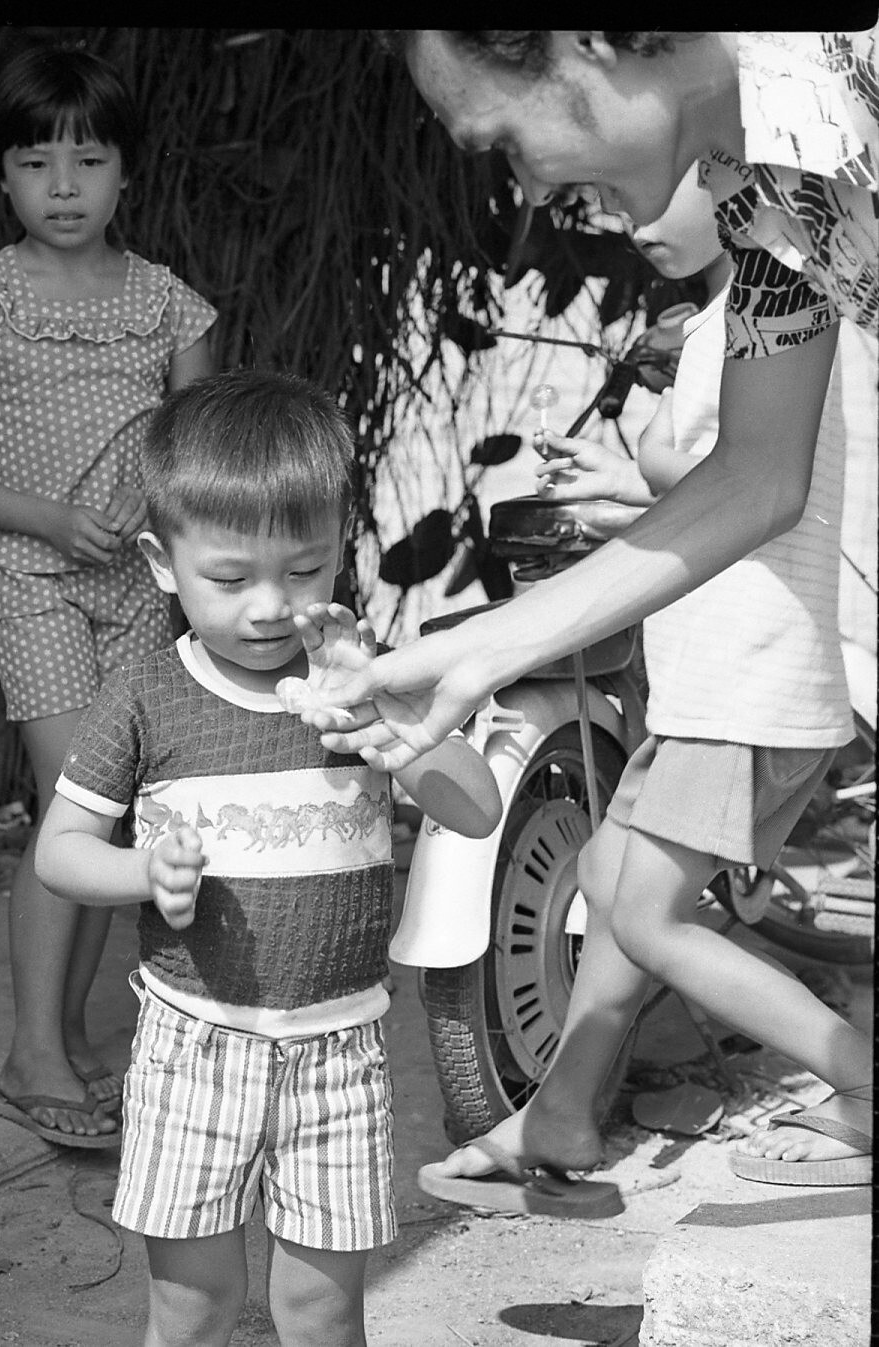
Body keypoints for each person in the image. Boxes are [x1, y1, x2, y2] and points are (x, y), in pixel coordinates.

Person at [287, 28, 877, 1178]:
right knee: (621, 884)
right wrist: (472, 657)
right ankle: (562, 1110)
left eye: (501, 137)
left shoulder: (821, 77)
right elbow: (754, 475)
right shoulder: (771, 183)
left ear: (584, 38)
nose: (520, 186)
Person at [417, 165, 871, 1218]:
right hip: (718, 680)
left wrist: (646, 465)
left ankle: (858, 1079)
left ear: (726, 171)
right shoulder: (731, 317)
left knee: (651, 916)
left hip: (747, 681)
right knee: (614, 879)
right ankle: (563, 1112)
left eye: (652, 189)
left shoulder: (766, 312)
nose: (629, 218)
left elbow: (748, 478)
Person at [33, 368, 501, 1347]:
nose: (267, 608)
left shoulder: (357, 686)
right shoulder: (145, 696)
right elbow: (60, 852)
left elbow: (473, 806)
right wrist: (140, 873)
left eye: (302, 570)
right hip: (194, 1045)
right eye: (230, 577)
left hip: (341, 1052)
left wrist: (392, 722)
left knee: (320, 1311)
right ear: (162, 562)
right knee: (193, 1306)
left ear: (338, 546)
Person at [0, 40, 217, 1148]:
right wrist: (47, 519)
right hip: (32, 578)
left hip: (140, 592)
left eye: (88, 160)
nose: (64, 185)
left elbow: (201, 461)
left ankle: (66, 1037)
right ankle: (32, 1052)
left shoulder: (173, 307)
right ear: (0, 177)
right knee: (73, 808)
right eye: (36, 163)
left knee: (107, 812)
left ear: (126, 171)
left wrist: (168, 524)